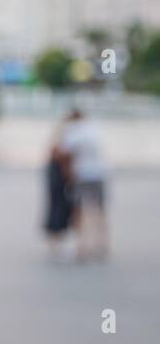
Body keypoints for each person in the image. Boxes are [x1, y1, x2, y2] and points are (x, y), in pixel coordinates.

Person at [58, 108, 109, 261]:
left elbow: (63, 152)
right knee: (100, 210)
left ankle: (82, 247)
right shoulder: (94, 128)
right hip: (100, 173)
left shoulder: (73, 130)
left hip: (82, 174)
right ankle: (102, 244)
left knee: (79, 210)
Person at [42, 122, 75, 261]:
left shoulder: (62, 136)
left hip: (56, 175)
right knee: (58, 205)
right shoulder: (63, 139)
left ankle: (56, 238)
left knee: (58, 205)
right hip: (57, 176)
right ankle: (55, 238)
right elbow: (58, 155)